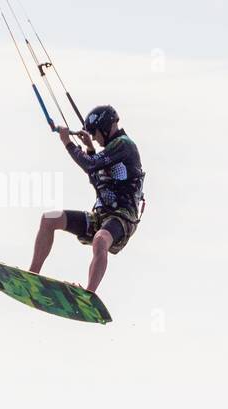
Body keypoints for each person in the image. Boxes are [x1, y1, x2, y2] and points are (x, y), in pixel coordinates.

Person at [29, 105, 144, 293]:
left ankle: (89, 294)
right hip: (100, 216)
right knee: (49, 219)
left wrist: (67, 142)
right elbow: (97, 178)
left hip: (122, 218)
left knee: (100, 240)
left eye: (95, 133)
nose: (96, 139)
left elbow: (90, 165)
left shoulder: (124, 145)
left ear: (105, 127)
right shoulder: (109, 151)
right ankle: (31, 277)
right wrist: (90, 149)